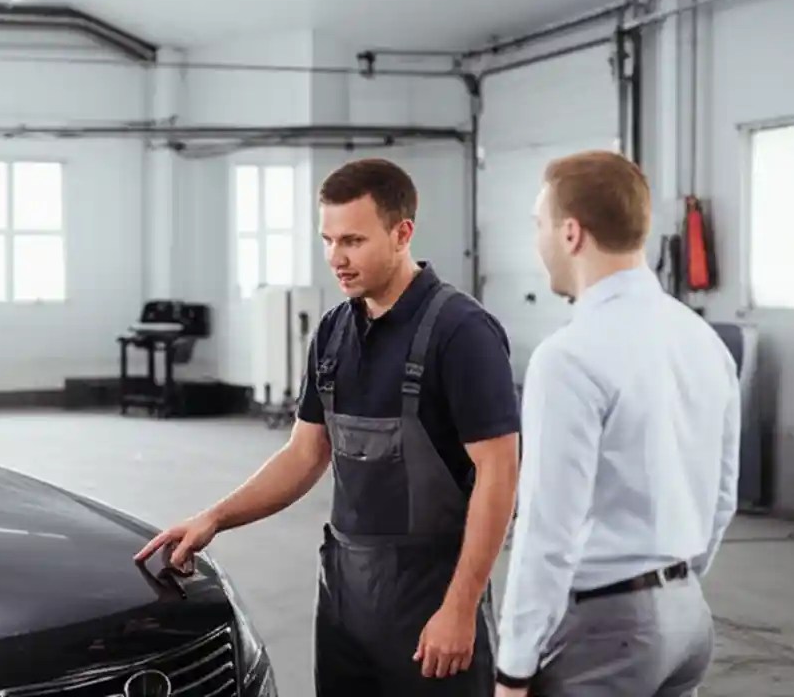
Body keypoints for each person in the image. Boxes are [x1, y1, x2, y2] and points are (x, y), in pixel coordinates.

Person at [135, 157, 521, 696]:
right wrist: (215, 518)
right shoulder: (334, 332)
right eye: (328, 239)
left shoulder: (462, 333)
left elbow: (499, 474)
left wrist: (459, 608)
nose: (336, 259)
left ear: (402, 232)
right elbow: (304, 454)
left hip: (432, 597)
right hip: (345, 599)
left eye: (354, 241)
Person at [493, 150, 741, 697]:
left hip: (606, 631)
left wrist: (513, 669)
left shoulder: (569, 357)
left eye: (540, 225)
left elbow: (546, 530)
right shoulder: (704, 341)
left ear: (571, 234)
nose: (537, 242)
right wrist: (673, 586)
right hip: (688, 619)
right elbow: (724, 495)